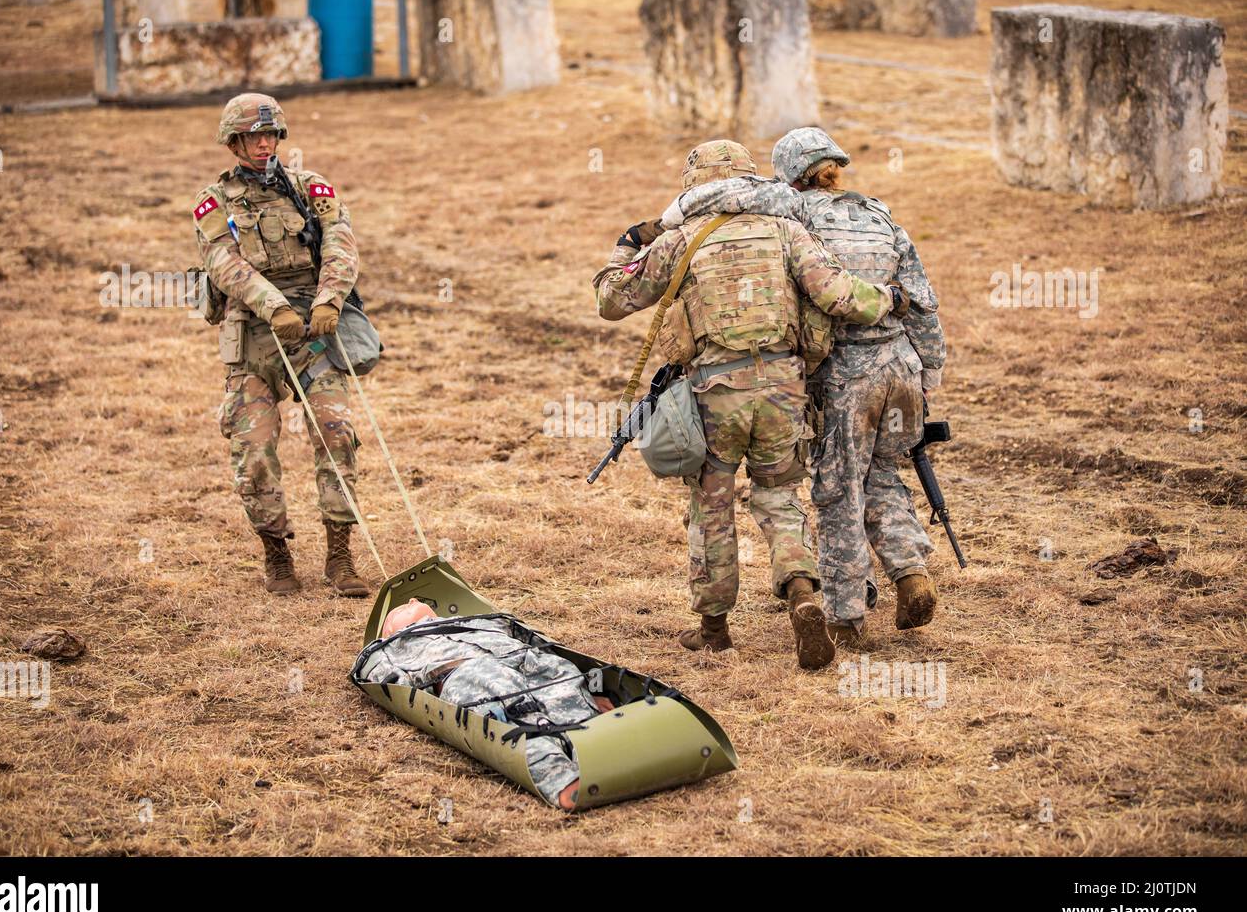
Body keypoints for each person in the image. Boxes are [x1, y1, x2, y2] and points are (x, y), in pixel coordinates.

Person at [592, 139, 906, 669]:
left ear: (696, 186)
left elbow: (611, 300)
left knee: (712, 504)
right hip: (785, 386)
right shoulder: (787, 231)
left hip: (714, 391)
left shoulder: (680, 240)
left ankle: (714, 630)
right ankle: (803, 595)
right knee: (780, 497)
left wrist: (629, 243)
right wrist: (891, 298)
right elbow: (840, 297)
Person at [660, 127, 947, 645]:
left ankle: (845, 615)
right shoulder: (880, 216)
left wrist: (672, 215)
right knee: (881, 474)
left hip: (843, 373)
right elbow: (923, 303)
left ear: (788, 175)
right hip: (901, 366)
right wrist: (929, 373)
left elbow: (735, 194)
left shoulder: (791, 211)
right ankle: (910, 574)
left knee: (837, 491)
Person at [192, 93, 368, 598]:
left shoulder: (310, 189)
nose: (266, 143)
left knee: (337, 432)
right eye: (254, 136)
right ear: (234, 141)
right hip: (253, 332)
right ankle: (276, 553)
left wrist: (330, 300)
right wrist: (275, 307)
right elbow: (225, 266)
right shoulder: (214, 202)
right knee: (254, 448)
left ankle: (339, 554)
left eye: (272, 135)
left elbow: (341, 241)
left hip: (313, 327)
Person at [357, 600, 615, 810]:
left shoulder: (482, 621)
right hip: (464, 670)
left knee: (563, 680)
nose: (409, 601)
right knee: (515, 717)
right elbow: (388, 685)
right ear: (387, 632)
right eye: (398, 610)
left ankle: (608, 748)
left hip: (523, 657)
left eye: (413, 601)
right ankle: (563, 779)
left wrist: (591, 689)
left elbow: (537, 641)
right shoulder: (385, 650)